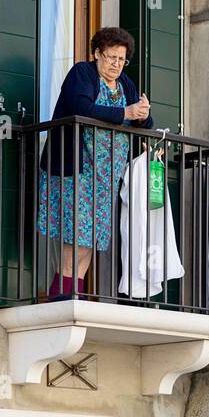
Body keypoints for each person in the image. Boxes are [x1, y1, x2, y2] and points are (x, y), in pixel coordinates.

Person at [38, 26, 152, 298]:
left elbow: (143, 121)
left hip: (106, 177)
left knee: (90, 242)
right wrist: (126, 111)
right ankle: (61, 299)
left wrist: (142, 115)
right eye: (111, 57)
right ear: (97, 53)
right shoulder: (82, 73)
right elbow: (81, 106)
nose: (116, 64)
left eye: (122, 59)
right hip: (76, 170)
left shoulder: (126, 84)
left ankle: (71, 296)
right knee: (76, 238)